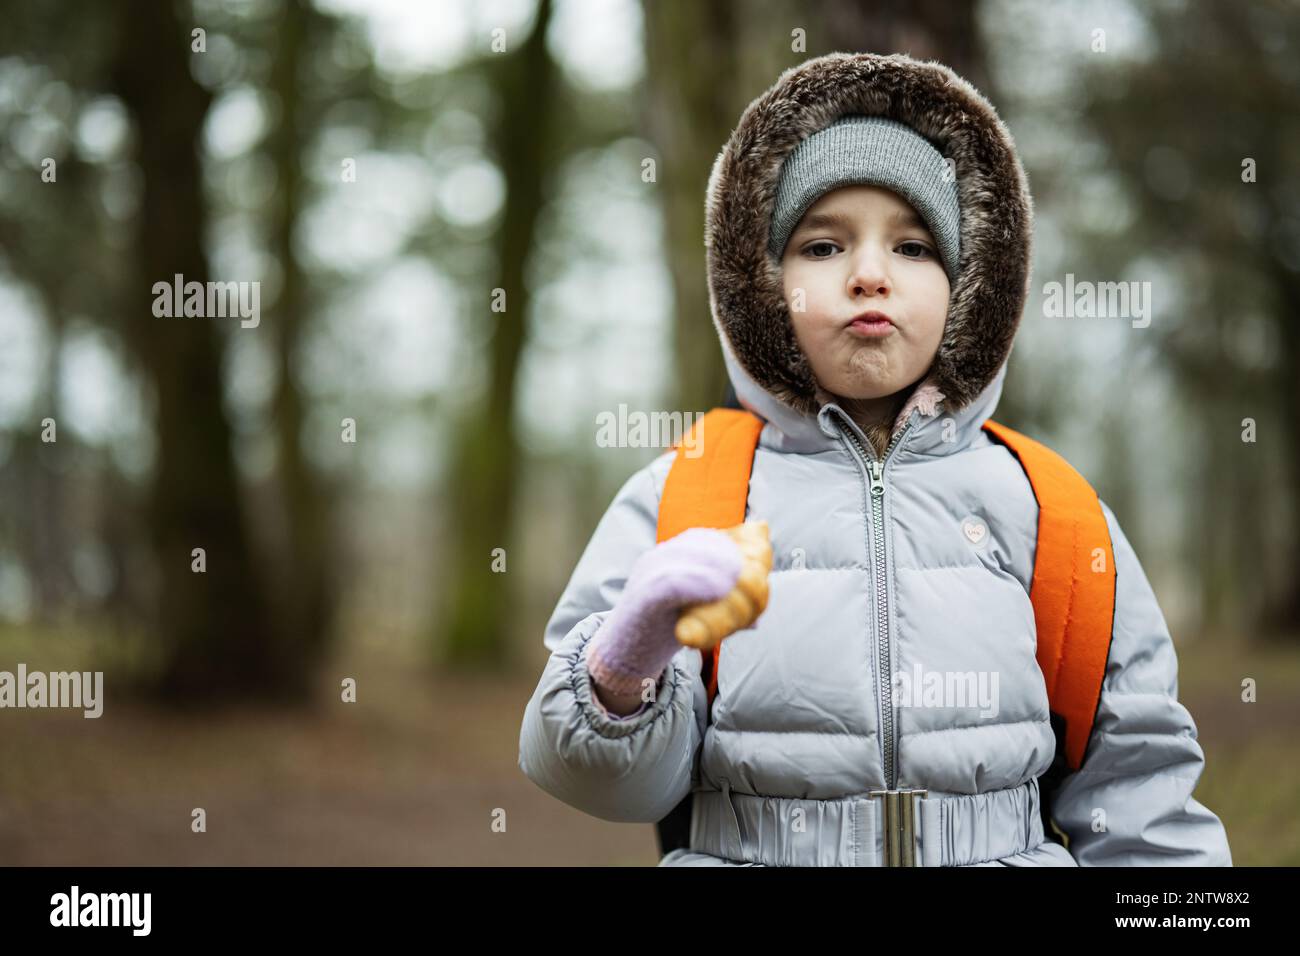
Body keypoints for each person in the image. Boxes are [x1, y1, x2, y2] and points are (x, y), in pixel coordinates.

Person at [517, 50, 1233, 867]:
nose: (868, 276)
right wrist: (625, 661)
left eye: (915, 246)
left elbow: (1144, 797)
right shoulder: (687, 494)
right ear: (763, 282)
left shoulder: (1052, 509)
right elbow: (592, 781)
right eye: (822, 247)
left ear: (969, 282)